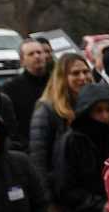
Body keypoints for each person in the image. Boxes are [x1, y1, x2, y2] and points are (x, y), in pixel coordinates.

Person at [52, 82, 109, 212]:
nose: (105, 116)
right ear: (86, 112)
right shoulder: (70, 142)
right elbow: (65, 188)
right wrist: (100, 205)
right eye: (99, 111)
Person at [28, 51, 94, 183]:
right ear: (62, 77)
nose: (83, 77)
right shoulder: (46, 109)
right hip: (61, 188)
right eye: (75, 73)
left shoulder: (94, 106)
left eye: (86, 72)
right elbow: (38, 159)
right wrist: (47, 199)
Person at [1, 37, 53, 145]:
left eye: (39, 52)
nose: (37, 56)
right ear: (22, 61)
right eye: (31, 54)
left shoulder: (57, 83)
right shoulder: (10, 88)